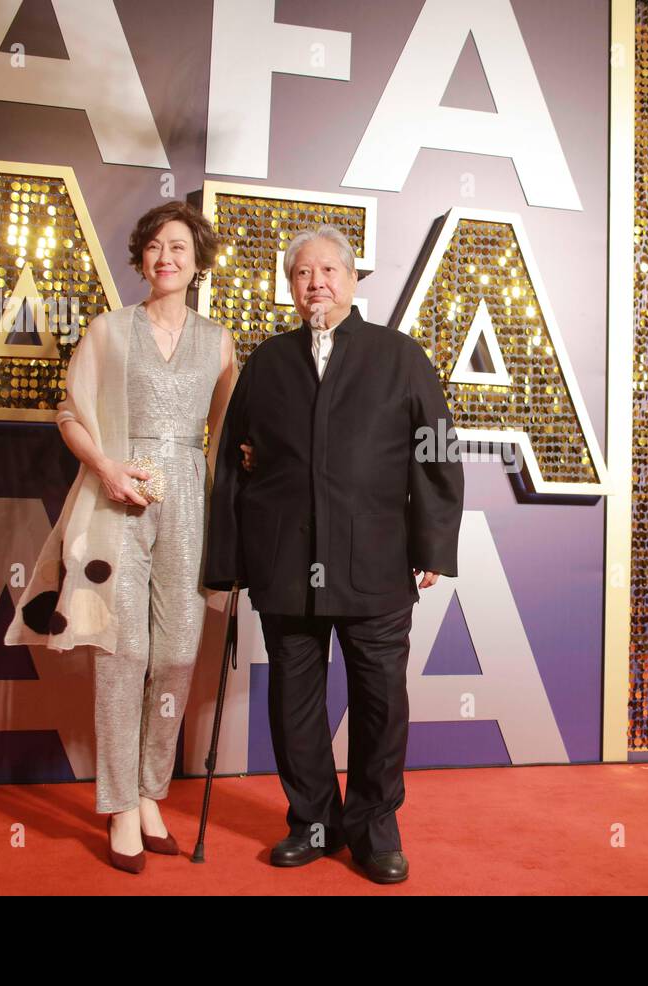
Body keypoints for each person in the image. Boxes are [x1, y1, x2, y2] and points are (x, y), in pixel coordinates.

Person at [204, 223, 464, 884]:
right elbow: (235, 465)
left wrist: (433, 543)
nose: (315, 283)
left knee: (381, 700)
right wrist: (227, 561)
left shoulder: (400, 357)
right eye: (302, 274)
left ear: (352, 281)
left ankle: (375, 828)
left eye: (328, 271)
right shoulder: (266, 363)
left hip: (375, 560)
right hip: (284, 562)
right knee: (294, 700)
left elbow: (435, 450)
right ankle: (312, 822)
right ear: (290, 287)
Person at [6, 201, 236, 874]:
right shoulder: (109, 330)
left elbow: (222, 433)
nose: (166, 257)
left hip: (188, 505)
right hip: (118, 504)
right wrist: (106, 467)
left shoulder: (219, 342)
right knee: (122, 652)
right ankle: (119, 806)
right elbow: (70, 414)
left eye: (179, 247)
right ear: (141, 259)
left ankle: (149, 791)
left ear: (197, 263)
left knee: (175, 655)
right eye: (155, 247)